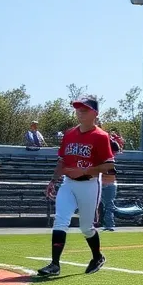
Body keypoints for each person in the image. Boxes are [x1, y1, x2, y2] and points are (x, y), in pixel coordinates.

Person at [36, 97, 114, 276]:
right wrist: (54, 180)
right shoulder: (69, 133)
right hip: (68, 184)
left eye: (84, 109)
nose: (80, 112)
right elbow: (61, 160)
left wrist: (87, 169)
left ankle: (97, 257)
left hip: (89, 184)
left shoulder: (101, 136)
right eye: (78, 109)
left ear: (95, 113)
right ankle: (54, 264)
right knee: (60, 220)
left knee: (86, 228)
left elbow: (109, 166)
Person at [98, 134, 122, 231]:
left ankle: (109, 224)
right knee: (105, 205)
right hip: (103, 183)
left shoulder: (107, 157)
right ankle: (104, 223)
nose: (115, 154)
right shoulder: (105, 157)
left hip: (108, 184)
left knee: (108, 205)